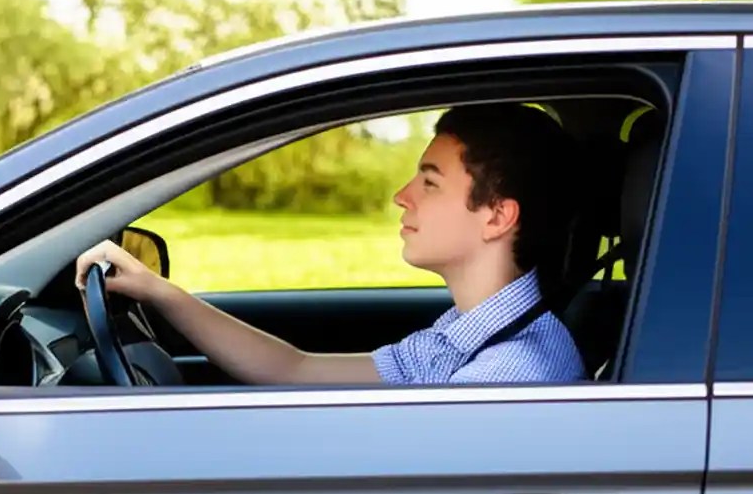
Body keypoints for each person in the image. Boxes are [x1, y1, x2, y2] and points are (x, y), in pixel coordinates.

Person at [75, 103, 588, 386]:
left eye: (429, 183)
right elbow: (295, 369)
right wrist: (160, 291)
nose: (401, 197)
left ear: (498, 216)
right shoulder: (464, 336)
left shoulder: (509, 375)